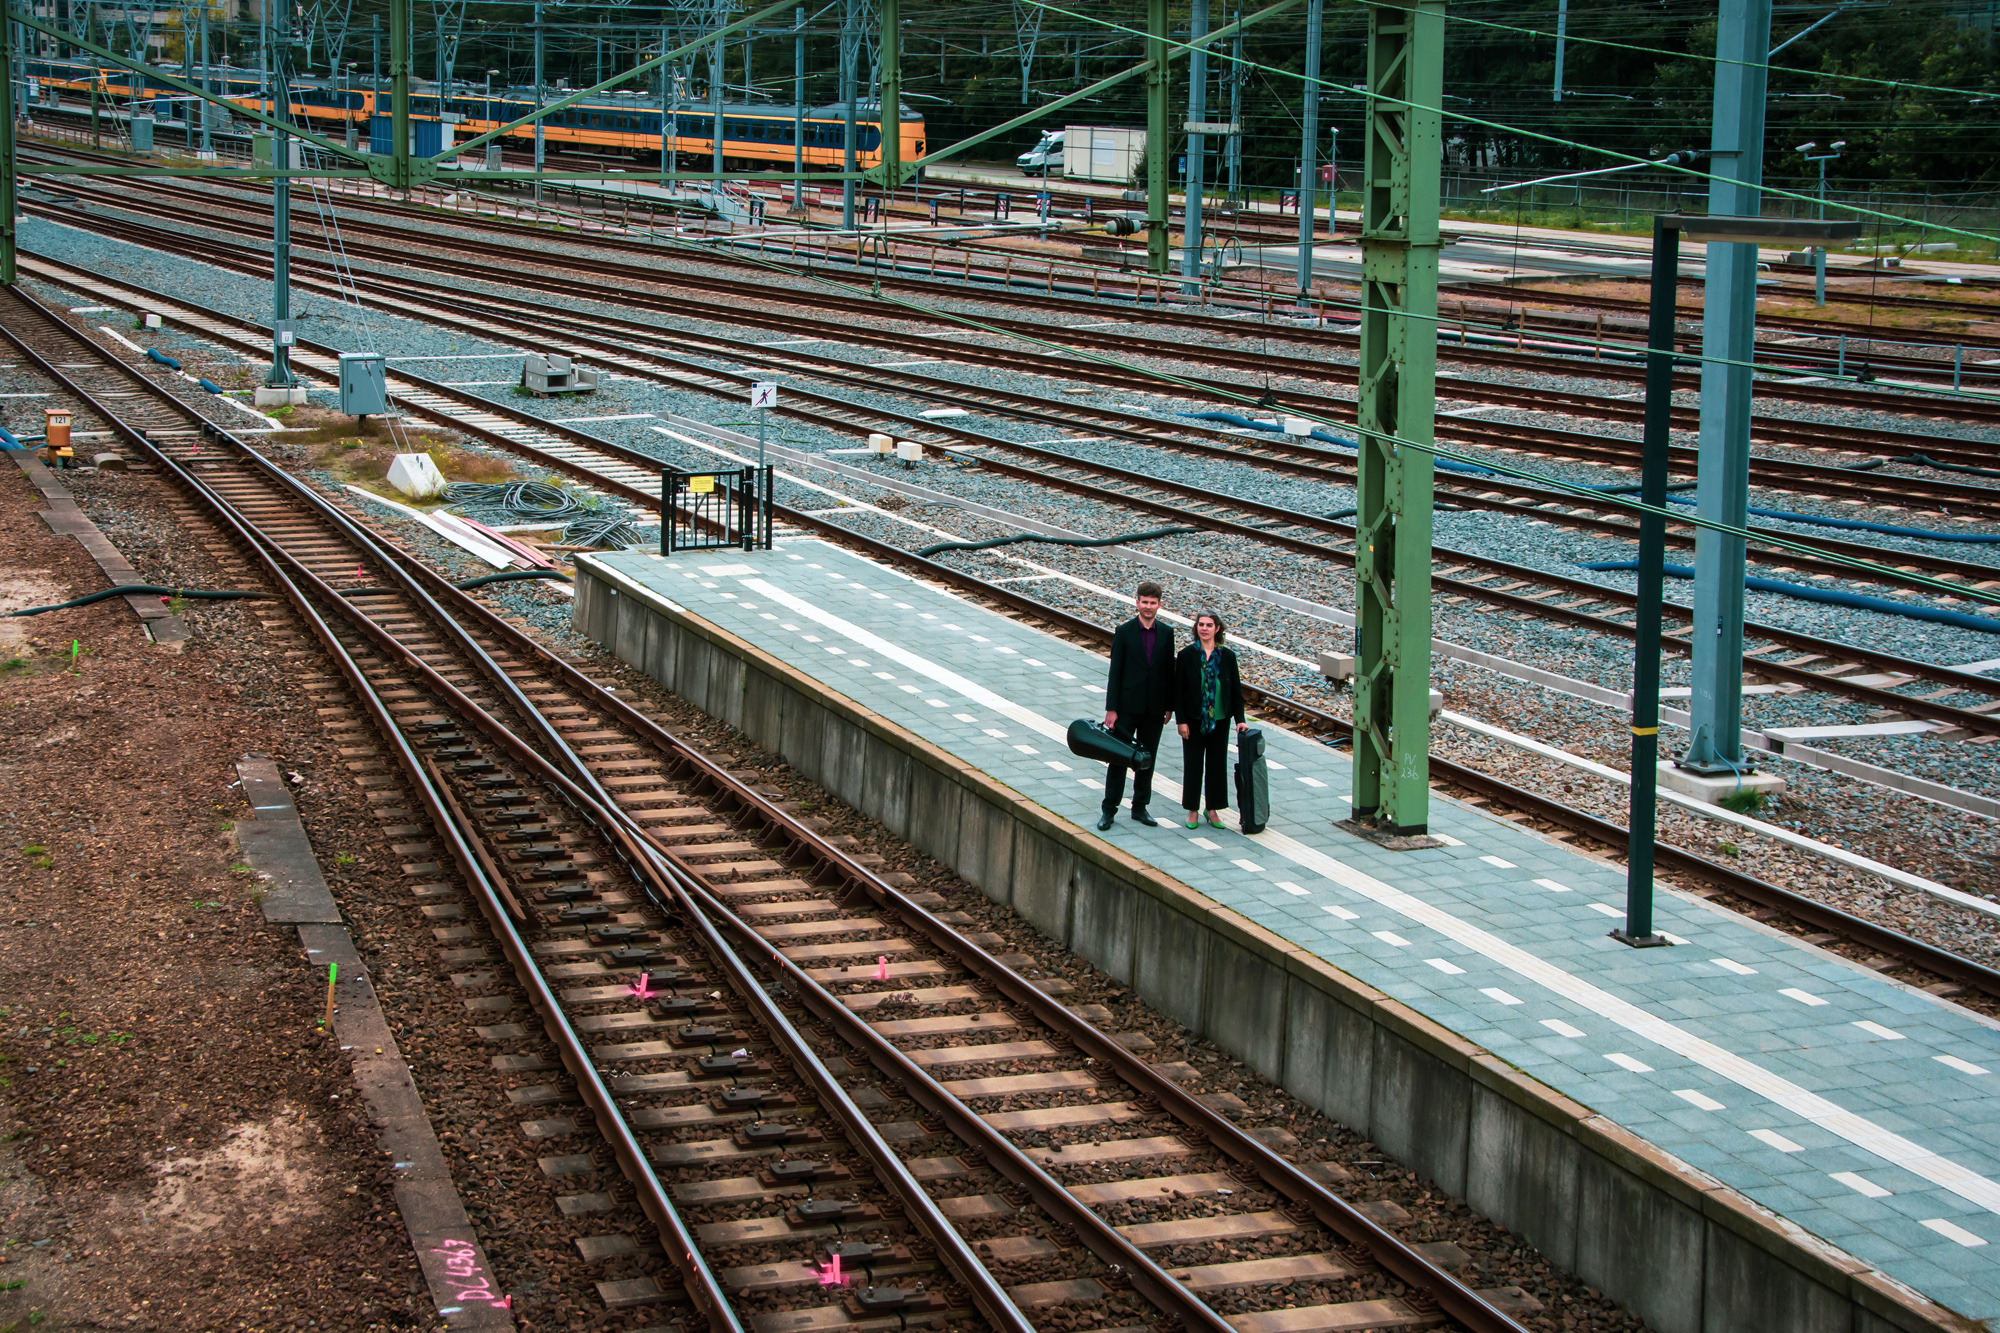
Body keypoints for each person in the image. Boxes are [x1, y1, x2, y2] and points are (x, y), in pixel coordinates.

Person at [1099, 581, 1174, 830]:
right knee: (1118, 759)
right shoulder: (1124, 631)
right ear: (1137, 602)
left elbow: (1168, 673)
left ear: (1159, 605)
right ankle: (1109, 809)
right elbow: (1115, 672)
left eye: (1153, 603)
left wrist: (1169, 706)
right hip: (1126, 708)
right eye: (1144, 602)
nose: (1148, 607)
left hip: (1154, 710)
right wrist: (1112, 709)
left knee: (1146, 759)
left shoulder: (1167, 633)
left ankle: (1140, 808)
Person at [1174, 611, 1246, 830]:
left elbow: (1235, 690)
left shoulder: (1228, 656)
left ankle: (1212, 809)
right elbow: (1178, 690)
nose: (1204, 628)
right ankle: (1193, 809)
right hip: (1194, 720)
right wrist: (1181, 720)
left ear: (1217, 629)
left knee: (1216, 765)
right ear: (1196, 628)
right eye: (1201, 624)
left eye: (1209, 625)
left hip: (1220, 720)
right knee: (1193, 764)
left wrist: (1240, 720)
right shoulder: (1186, 655)